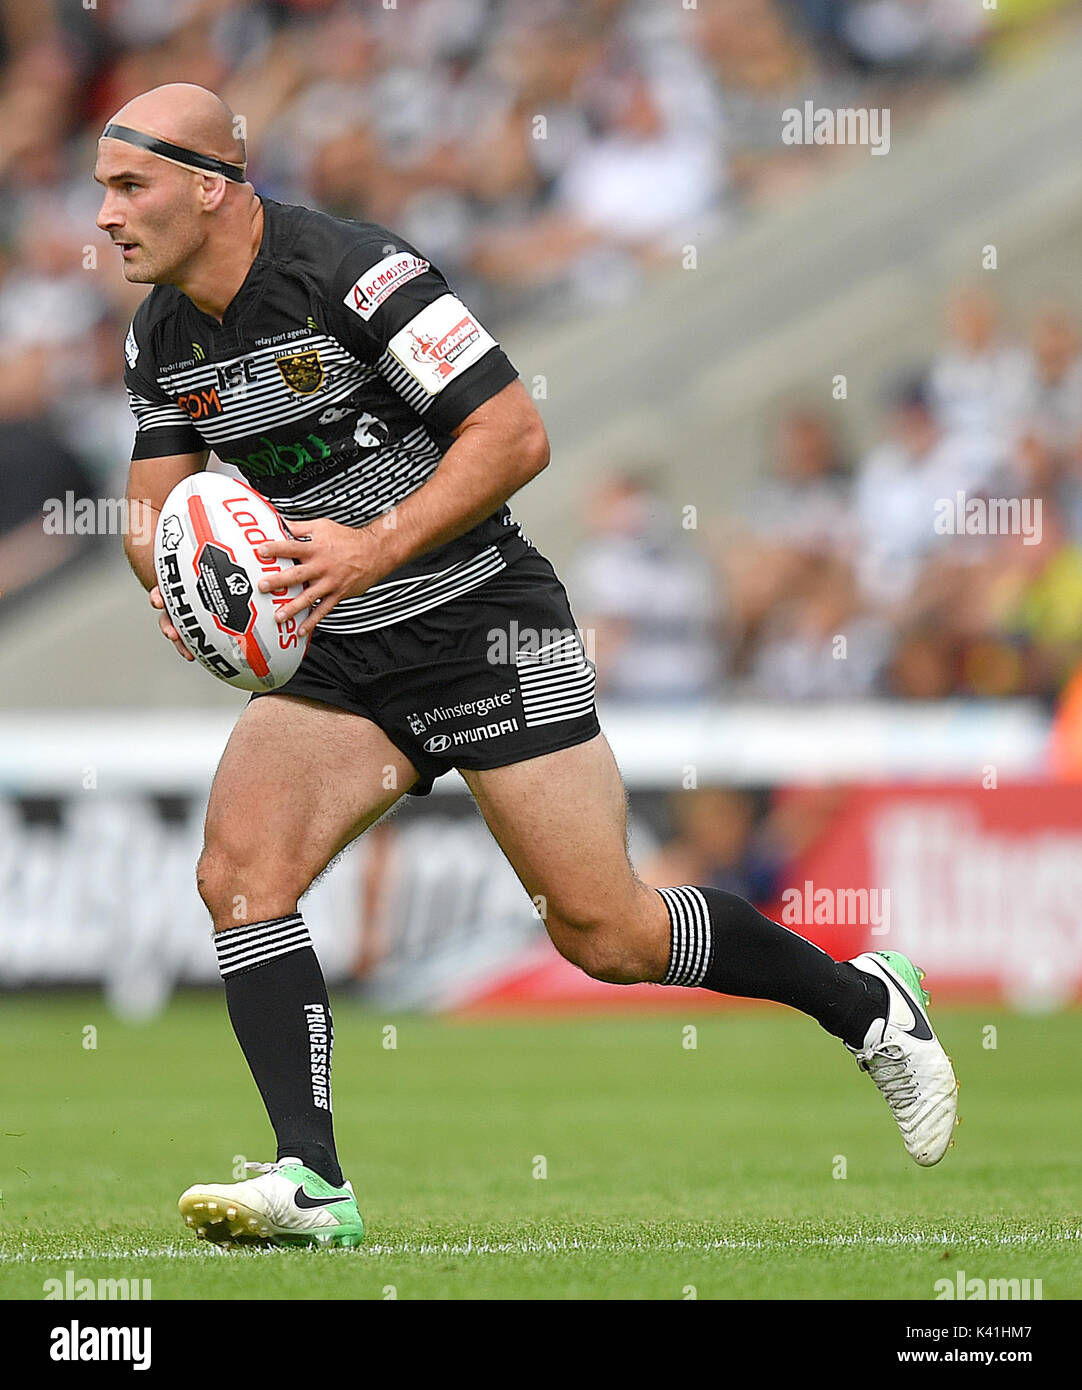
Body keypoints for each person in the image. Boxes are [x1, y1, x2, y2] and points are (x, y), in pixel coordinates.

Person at [94, 83, 958, 1248]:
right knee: (239, 872)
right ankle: (312, 1178)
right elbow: (153, 506)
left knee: (606, 934)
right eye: (102, 186)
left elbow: (513, 433)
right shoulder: (159, 331)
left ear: (210, 185)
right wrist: (177, 586)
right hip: (339, 648)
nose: (104, 213)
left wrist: (374, 544)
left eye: (128, 184)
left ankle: (864, 1002)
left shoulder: (358, 274)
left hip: (481, 623)